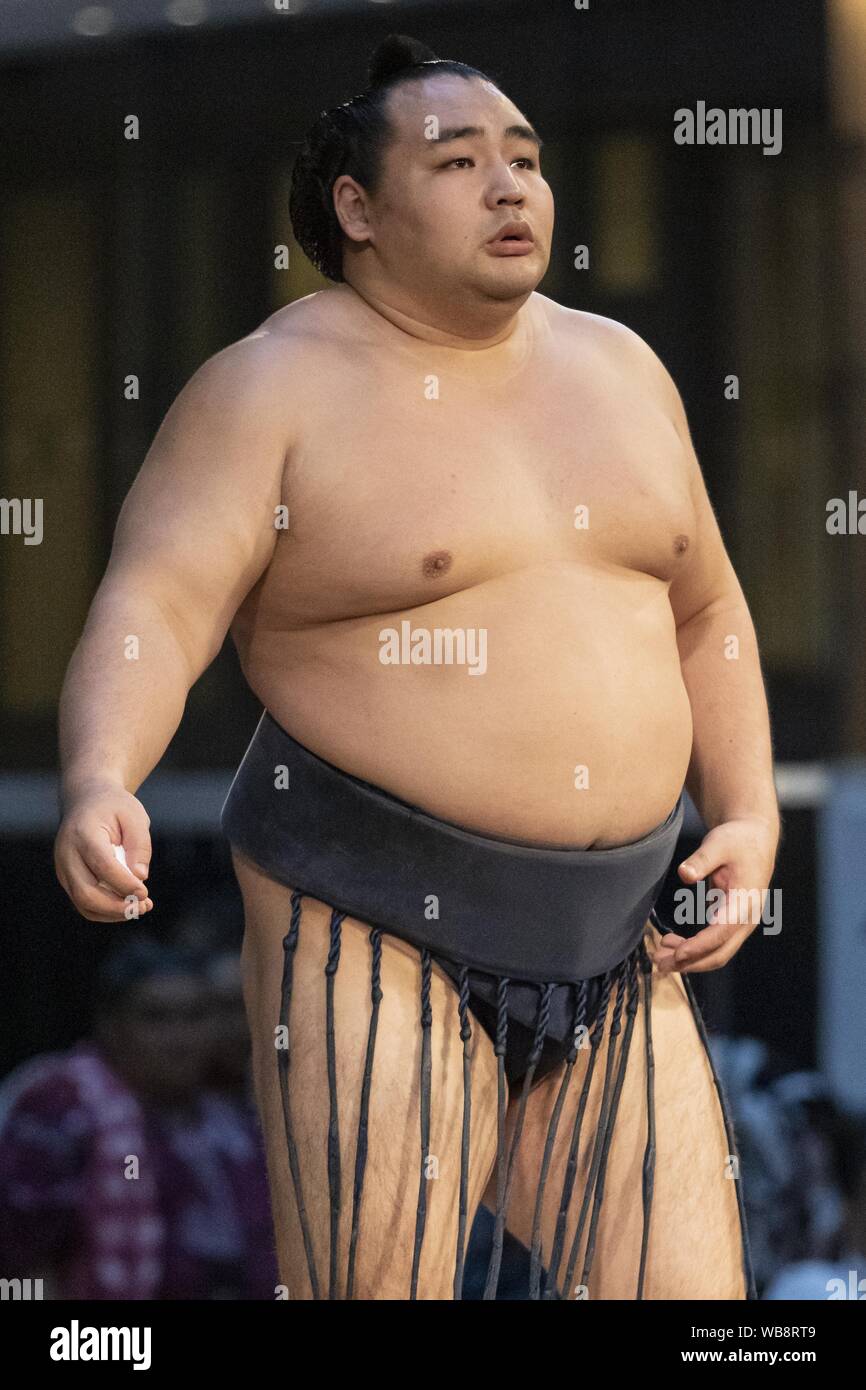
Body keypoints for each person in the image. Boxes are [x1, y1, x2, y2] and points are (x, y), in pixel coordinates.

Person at [54, 32, 780, 1299]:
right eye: (458, 162)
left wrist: (750, 809)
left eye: (525, 159)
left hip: (612, 936)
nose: (511, 188)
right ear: (357, 207)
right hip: (372, 925)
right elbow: (158, 605)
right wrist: (100, 772)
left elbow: (705, 608)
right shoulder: (269, 390)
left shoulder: (622, 368)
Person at [0, 938, 277, 1299]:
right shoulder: (65, 1104)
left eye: (194, 1017)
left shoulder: (231, 1117)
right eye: (155, 1018)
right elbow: (21, 1258)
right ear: (111, 1024)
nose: (179, 1040)